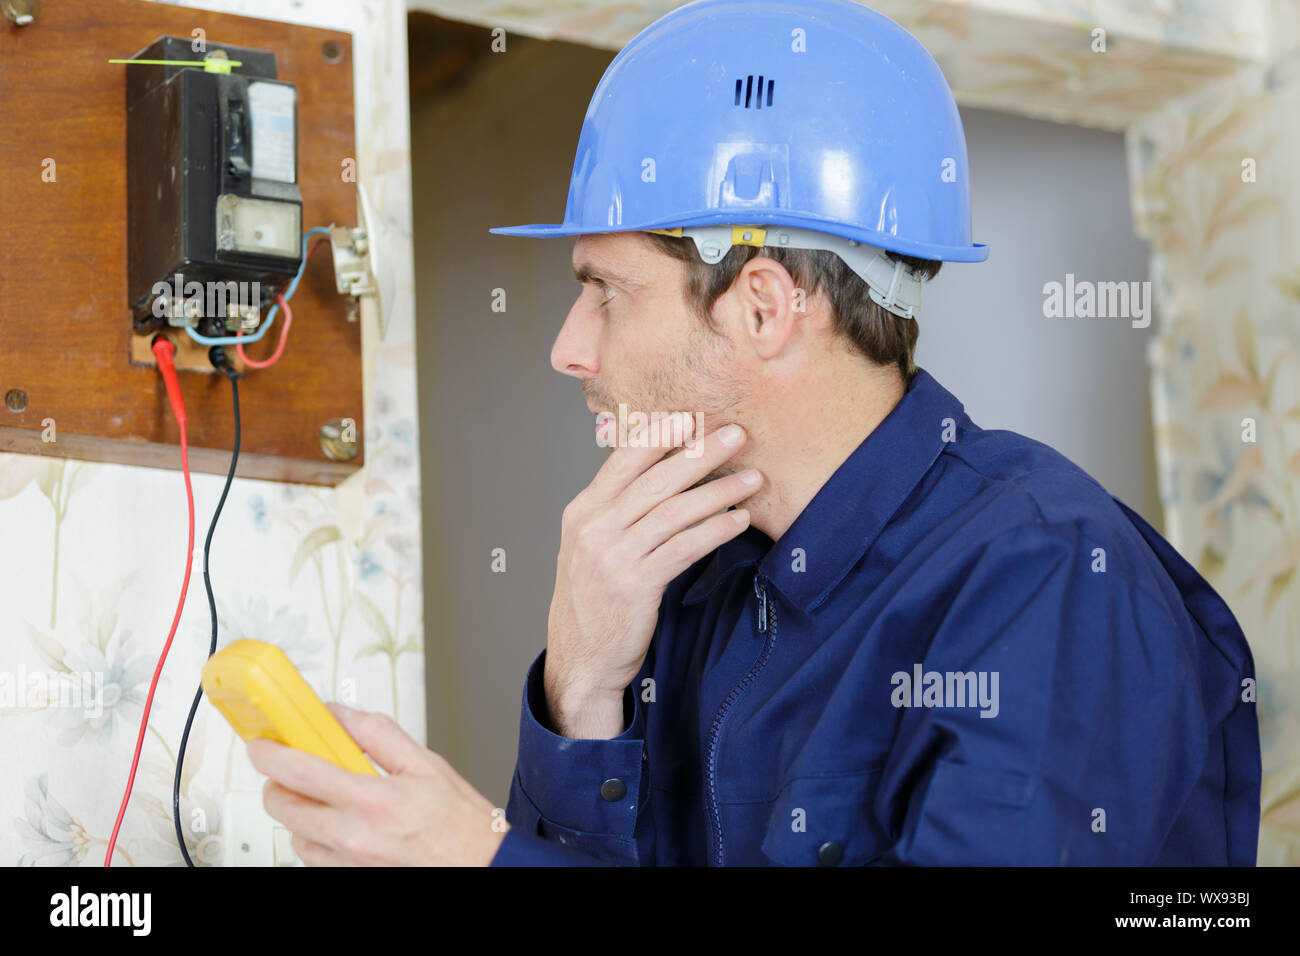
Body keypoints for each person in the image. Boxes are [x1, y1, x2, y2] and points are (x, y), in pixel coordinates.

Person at [250, 0, 1260, 866]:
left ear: (764, 307)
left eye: (604, 291)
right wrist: (582, 689)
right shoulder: (691, 591)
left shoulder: (1047, 576)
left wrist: (479, 855)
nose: (566, 347)